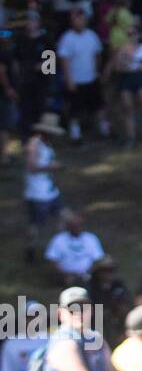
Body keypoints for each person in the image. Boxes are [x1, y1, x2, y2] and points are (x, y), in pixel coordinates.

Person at [56, 6, 108, 143]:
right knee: (75, 108)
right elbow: (64, 61)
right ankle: (75, 135)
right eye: (75, 19)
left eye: (81, 18)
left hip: (91, 78)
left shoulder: (92, 35)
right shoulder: (67, 38)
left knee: (98, 105)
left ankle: (105, 129)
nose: (79, 22)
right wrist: (68, 79)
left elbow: (97, 55)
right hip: (76, 80)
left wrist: (98, 71)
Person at [108, 23, 142, 147]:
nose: (131, 36)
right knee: (127, 109)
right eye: (128, 34)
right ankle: (131, 137)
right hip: (126, 78)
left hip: (139, 77)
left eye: (133, 33)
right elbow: (118, 67)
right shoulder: (122, 49)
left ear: (138, 34)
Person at [24, 113, 64, 265]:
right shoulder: (34, 145)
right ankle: (30, 249)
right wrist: (51, 167)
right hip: (38, 193)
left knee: (63, 216)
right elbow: (31, 167)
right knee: (36, 224)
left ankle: (60, 248)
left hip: (50, 191)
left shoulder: (46, 144)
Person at [45, 211, 105, 286]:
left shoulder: (91, 238)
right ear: (68, 226)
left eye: (79, 225)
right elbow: (52, 259)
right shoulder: (59, 239)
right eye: (74, 226)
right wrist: (64, 274)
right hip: (64, 276)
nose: (77, 228)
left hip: (88, 274)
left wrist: (88, 272)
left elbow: (98, 259)